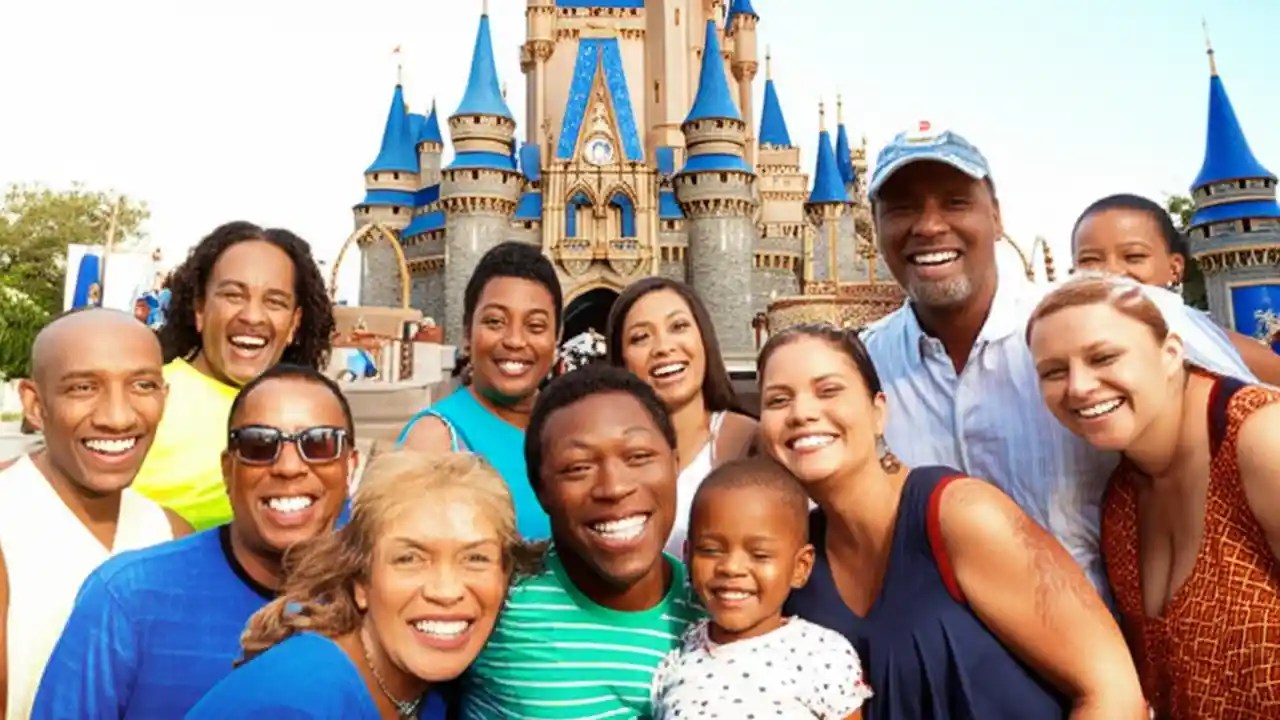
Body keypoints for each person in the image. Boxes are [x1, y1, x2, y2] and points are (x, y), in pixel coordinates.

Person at [860, 123, 1256, 594]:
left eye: (955, 202)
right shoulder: (858, 365)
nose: (928, 226)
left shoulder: (1090, 317)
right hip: (942, 657)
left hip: (1108, 646)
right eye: (902, 208)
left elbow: (1249, 391)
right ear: (876, 226)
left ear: (997, 216)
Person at [759, 324, 1147, 719]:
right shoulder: (794, 567)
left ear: (878, 412)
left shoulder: (961, 515)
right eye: (777, 400)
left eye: (828, 391)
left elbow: (1114, 692)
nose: (802, 413)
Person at [31, 364, 355, 719]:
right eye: (259, 444)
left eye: (319, 443)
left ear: (350, 466)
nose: (289, 466)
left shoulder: (385, 599)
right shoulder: (129, 598)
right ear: (228, 471)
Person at [1026, 275, 1280, 719]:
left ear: (1170, 354)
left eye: (1103, 357)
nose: (1079, 386)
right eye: (1054, 371)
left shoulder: (1259, 440)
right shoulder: (1120, 503)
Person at [188, 451, 531, 719]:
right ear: (361, 582)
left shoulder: (430, 690)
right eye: (409, 559)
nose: (446, 590)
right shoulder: (298, 700)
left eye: (475, 559)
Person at [459, 365, 703, 719]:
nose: (614, 487)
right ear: (541, 490)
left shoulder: (719, 608)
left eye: (638, 457)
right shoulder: (497, 600)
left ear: (675, 464)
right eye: (578, 467)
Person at [0, 309, 189, 719]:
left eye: (142, 385)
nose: (118, 417)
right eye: (84, 387)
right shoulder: (8, 518)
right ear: (34, 403)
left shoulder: (171, 534)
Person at [133, 221, 335, 531]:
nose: (252, 316)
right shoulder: (144, 395)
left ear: (295, 323)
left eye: (275, 302)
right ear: (199, 309)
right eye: (233, 296)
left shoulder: (313, 413)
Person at [650, 457, 872, 719]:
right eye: (711, 550)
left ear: (800, 567)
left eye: (760, 555)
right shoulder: (678, 655)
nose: (731, 567)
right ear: (687, 556)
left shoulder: (821, 653)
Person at [398, 241, 562, 541]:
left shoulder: (568, 429)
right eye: (495, 322)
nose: (514, 340)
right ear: (467, 333)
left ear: (556, 339)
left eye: (535, 326)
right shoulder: (437, 439)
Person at [607, 277, 757, 557]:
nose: (663, 347)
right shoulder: (608, 458)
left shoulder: (751, 443)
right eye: (641, 337)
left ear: (703, 338)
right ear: (622, 361)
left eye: (678, 327)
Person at [1071, 193, 1280, 386]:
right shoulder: (1055, 350)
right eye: (1090, 260)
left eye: (1134, 256)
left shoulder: (1226, 350)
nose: (1112, 272)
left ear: (1175, 267)